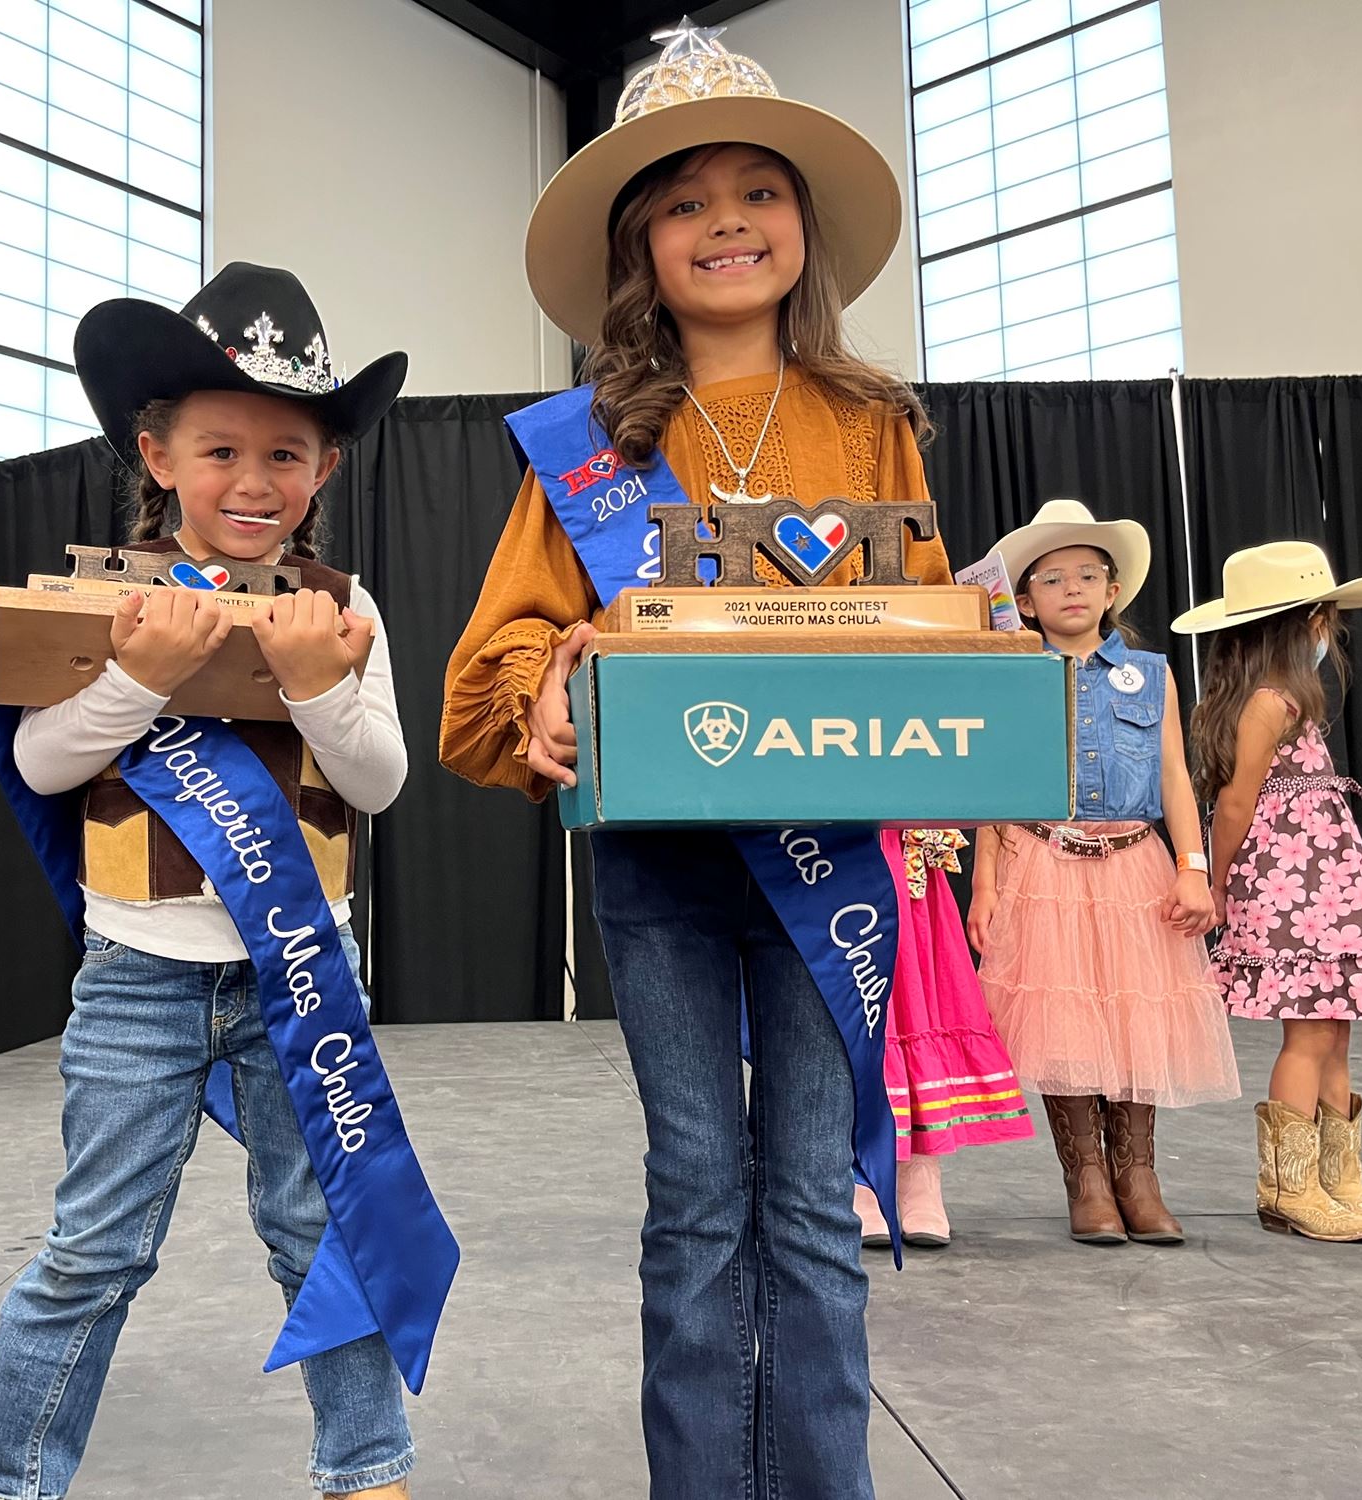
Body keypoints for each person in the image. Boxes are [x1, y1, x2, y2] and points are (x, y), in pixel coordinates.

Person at [442, 27, 945, 1497]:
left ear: (806, 227)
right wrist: (553, 677)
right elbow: (494, 668)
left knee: (807, 1198)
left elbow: (920, 624)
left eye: (757, 190)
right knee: (697, 1197)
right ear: (638, 250)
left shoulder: (874, 423)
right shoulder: (587, 443)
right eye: (684, 200)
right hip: (658, 862)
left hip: (827, 854)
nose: (726, 220)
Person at [0, 264, 453, 1500]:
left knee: (320, 1234)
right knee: (92, 1251)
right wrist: (133, 679)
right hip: (137, 982)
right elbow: (36, 759)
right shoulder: (99, 600)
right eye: (220, 449)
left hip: (300, 970)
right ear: (156, 453)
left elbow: (382, 783)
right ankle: (7, 1483)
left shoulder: (345, 611)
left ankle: (367, 1470)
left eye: (286, 454)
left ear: (325, 469)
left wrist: (312, 683)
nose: (253, 481)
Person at [968, 501, 1237, 1244]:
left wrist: (1192, 868)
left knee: (1132, 1013)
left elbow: (1175, 777)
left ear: (1113, 590)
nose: (1073, 589)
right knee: (1069, 1018)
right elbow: (995, 783)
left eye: (1089, 575)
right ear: (1026, 601)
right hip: (1042, 859)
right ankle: (1085, 1176)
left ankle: (1138, 1174)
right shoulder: (1012, 673)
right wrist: (986, 883)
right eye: (1052, 580)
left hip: (1132, 863)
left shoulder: (1150, 675)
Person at [1177, 541, 1362, 1242]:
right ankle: (1289, 1186)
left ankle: (1340, 1179)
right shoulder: (1266, 704)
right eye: (1323, 620)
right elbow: (1233, 803)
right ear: (1300, 624)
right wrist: (1214, 884)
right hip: (1292, 895)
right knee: (1309, 1035)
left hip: (1325, 892)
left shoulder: (1293, 705)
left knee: (1334, 1033)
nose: (1328, 634)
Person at [852, 829, 1032, 1251]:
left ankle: (921, 1169)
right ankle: (858, 1171)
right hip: (835, 839)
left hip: (905, 833)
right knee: (860, 1006)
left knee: (917, 997)